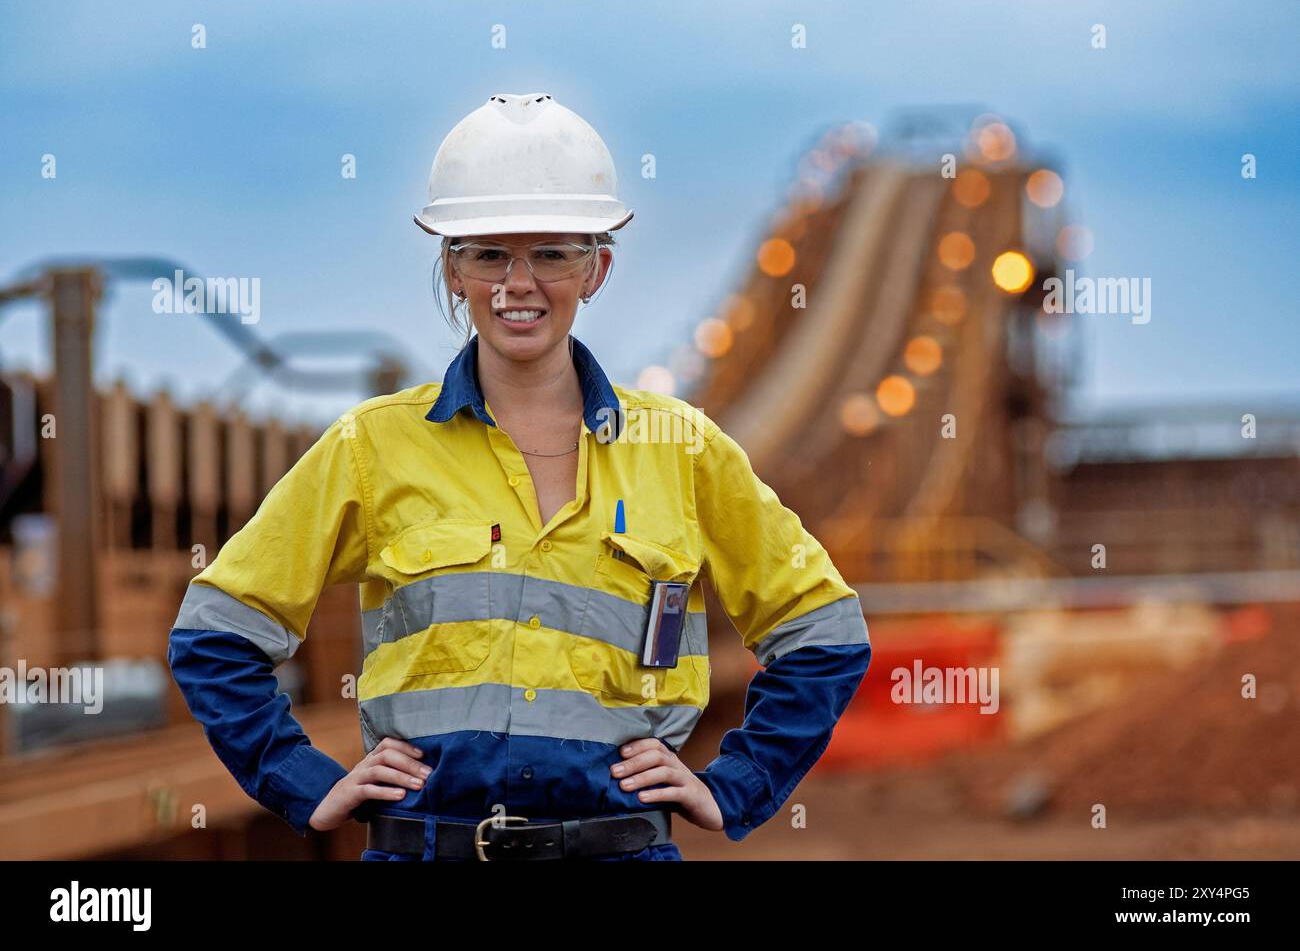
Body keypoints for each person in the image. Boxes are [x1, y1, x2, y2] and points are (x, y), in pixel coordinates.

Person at [167, 92, 872, 861]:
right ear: (454, 268)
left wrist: (736, 783)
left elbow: (824, 635)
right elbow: (216, 634)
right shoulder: (373, 447)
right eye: (489, 253)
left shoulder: (682, 449)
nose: (519, 282)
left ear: (597, 267)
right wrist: (304, 780)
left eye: (552, 253)